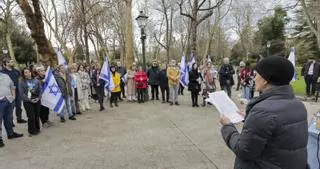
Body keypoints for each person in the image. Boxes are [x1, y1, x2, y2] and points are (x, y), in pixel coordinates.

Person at [220, 56, 308, 169]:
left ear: (265, 80)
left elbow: (244, 150)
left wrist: (228, 127)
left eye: (256, 75)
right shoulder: (298, 105)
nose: (254, 78)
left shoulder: (263, 111)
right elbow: (275, 131)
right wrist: (249, 118)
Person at [0, 71, 24, 147]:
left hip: (9, 100)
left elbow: (12, 86)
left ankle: (10, 134)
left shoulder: (6, 76)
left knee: (9, 119)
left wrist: (13, 96)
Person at [1, 58, 27, 123]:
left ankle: (19, 118)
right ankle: (10, 121)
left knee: (19, 106)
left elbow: (20, 79)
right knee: (10, 107)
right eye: (11, 62)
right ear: (6, 63)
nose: (13, 63)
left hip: (17, 91)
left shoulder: (16, 71)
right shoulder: (2, 72)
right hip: (8, 93)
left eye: (13, 62)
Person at [19, 68, 41, 136]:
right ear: (23, 74)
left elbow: (40, 90)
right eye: (25, 72)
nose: (27, 73)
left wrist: (38, 98)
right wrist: (30, 100)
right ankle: (31, 131)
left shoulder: (36, 80)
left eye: (28, 72)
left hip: (37, 100)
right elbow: (22, 93)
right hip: (27, 101)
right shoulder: (21, 82)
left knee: (37, 115)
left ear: (31, 72)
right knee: (31, 116)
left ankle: (37, 128)